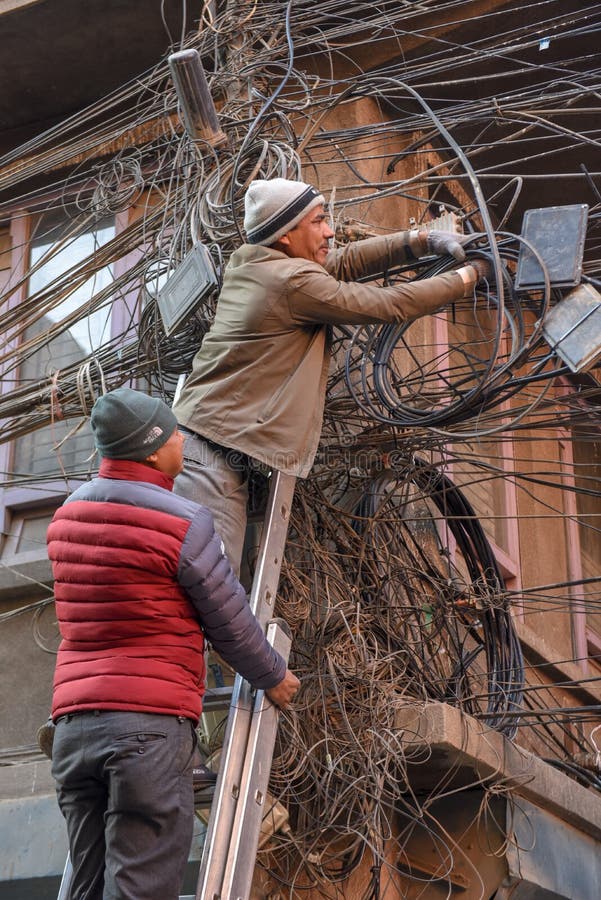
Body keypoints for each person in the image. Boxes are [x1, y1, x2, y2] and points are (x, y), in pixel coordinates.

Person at [47, 387, 300, 900]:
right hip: (146, 731)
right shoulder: (183, 520)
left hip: (73, 731)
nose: (183, 439)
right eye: (174, 432)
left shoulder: (65, 517)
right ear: (152, 447)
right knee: (139, 886)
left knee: (86, 887)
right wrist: (275, 674)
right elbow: (228, 620)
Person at [173, 177, 490, 572]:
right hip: (212, 456)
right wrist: (468, 277)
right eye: (318, 221)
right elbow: (388, 304)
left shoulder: (258, 263)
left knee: (217, 586)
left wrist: (423, 241)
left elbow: (349, 260)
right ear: (286, 235)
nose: (330, 231)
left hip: (210, 445)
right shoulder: (291, 282)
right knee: (211, 587)